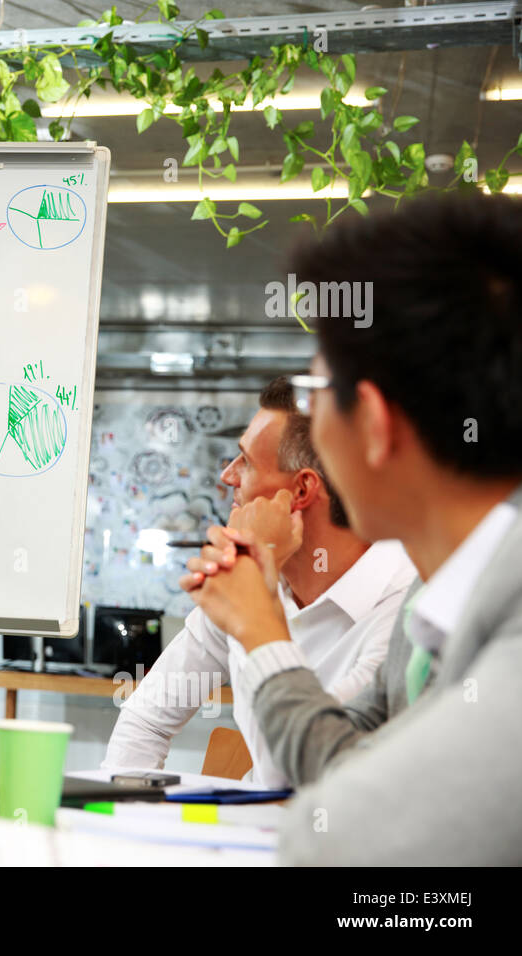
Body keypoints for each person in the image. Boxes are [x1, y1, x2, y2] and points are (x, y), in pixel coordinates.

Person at [186, 193, 522, 864]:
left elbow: (348, 836)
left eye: (315, 396)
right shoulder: (430, 607)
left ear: (372, 421)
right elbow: (345, 762)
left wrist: (261, 630)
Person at [103, 377, 416, 786]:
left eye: (246, 461)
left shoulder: (403, 609)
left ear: (301, 489)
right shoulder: (249, 578)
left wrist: (255, 601)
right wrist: (125, 817)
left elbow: (291, 770)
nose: (228, 476)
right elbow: (146, 719)